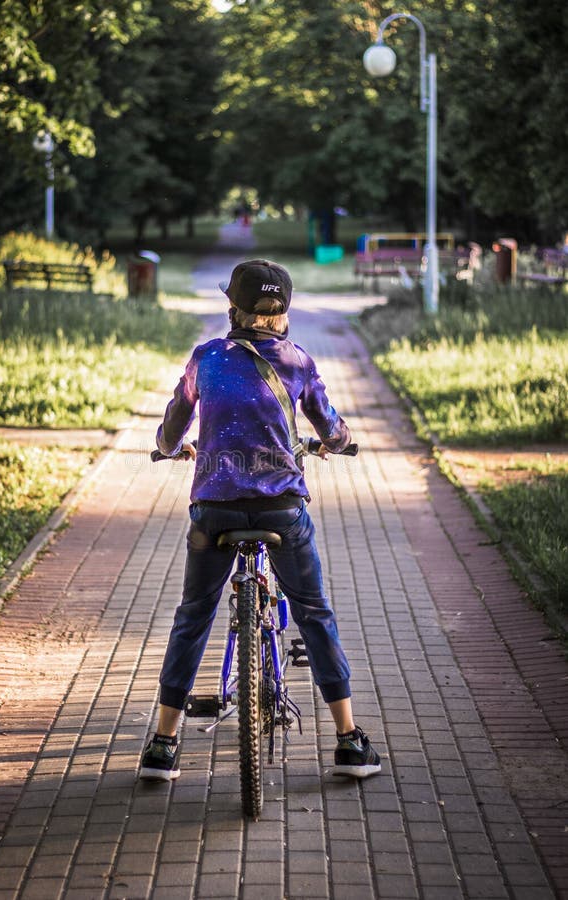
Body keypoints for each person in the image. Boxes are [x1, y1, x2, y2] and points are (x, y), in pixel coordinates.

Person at [139, 259, 381, 783]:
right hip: (281, 509)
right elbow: (330, 427)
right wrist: (336, 444)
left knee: (193, 615)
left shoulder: (206, 359)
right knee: (313, 611)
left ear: (235, 308)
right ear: (284, 311)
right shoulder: (297, 361)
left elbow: (171, 428)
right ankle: (348, 741)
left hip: (215, 509)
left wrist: (172, 448)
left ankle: (162, 744)